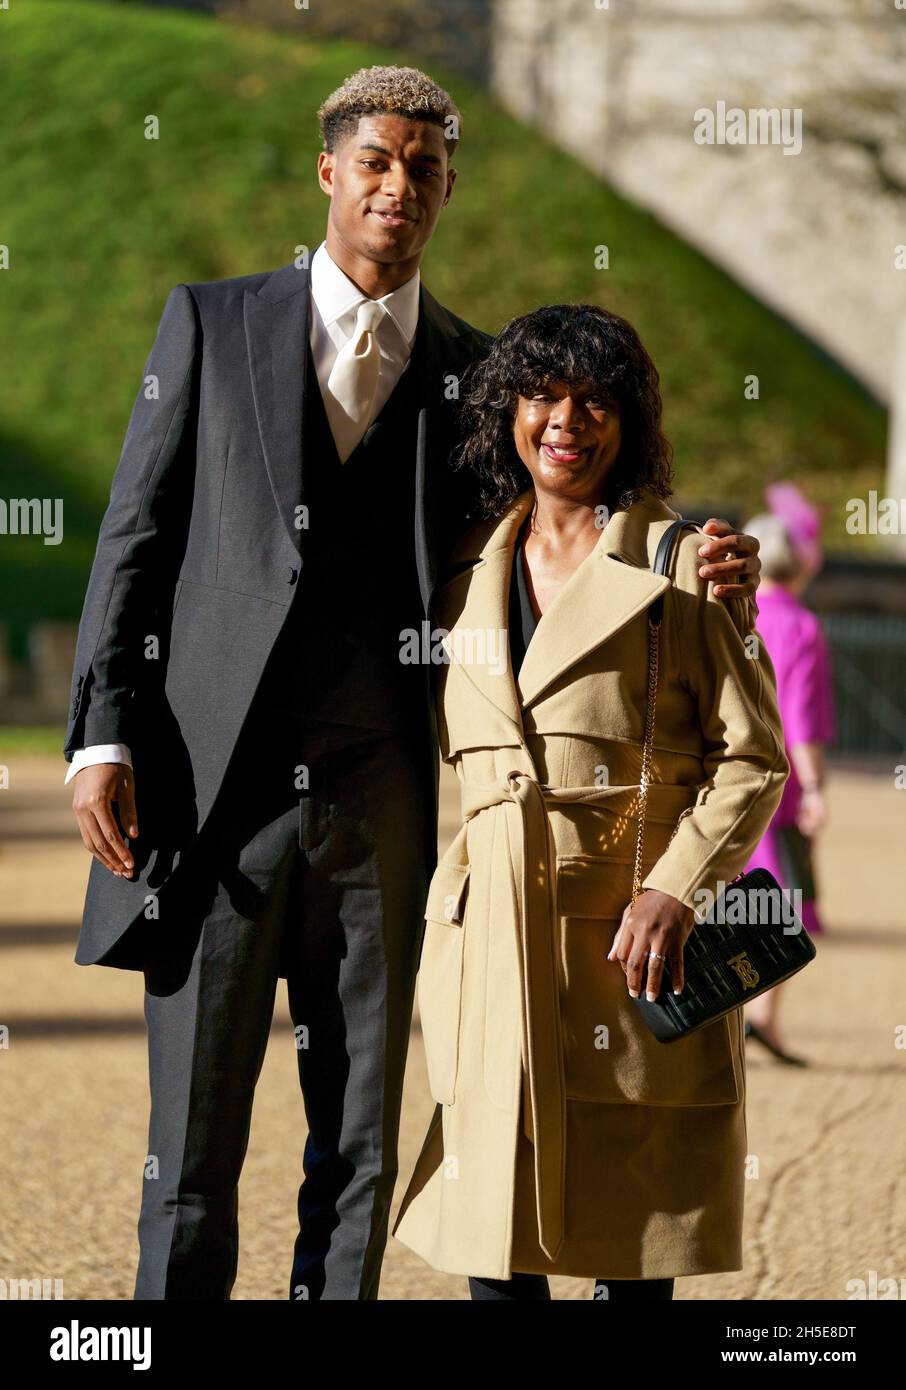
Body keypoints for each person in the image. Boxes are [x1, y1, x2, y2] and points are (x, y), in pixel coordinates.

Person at [63, 67, 764, 1301]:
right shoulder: (210, 324)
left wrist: (690, 547)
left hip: (381, 802)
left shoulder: (479, 373)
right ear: (330, 171)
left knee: (367, 1152)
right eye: (377, 161)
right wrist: (101, 736)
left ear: (446, 189)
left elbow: (572, 510)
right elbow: (136, 538)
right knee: (192, 1152)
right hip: (212, 794)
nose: (400, 186)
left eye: (425, 168)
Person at [392, 303, 790, 1298]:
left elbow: (754, 758)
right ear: (508, 411)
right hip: (491, 949)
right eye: (541, 394)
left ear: (628, 420)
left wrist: (677, 890)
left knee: (632, 1248)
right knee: (495, 1244)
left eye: (594, 398)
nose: (566, 420)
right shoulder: (461, 569)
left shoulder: (688, 563)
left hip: (626, 946)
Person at [737, 499, 835, 1066]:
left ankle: (760, 1021)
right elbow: (800, 716)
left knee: (732, 903)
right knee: (783, 907)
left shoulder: (733, 612)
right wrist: (817, 788)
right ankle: (755, 1016)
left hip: (726, 776)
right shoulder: (801, 625)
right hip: (781, 788)